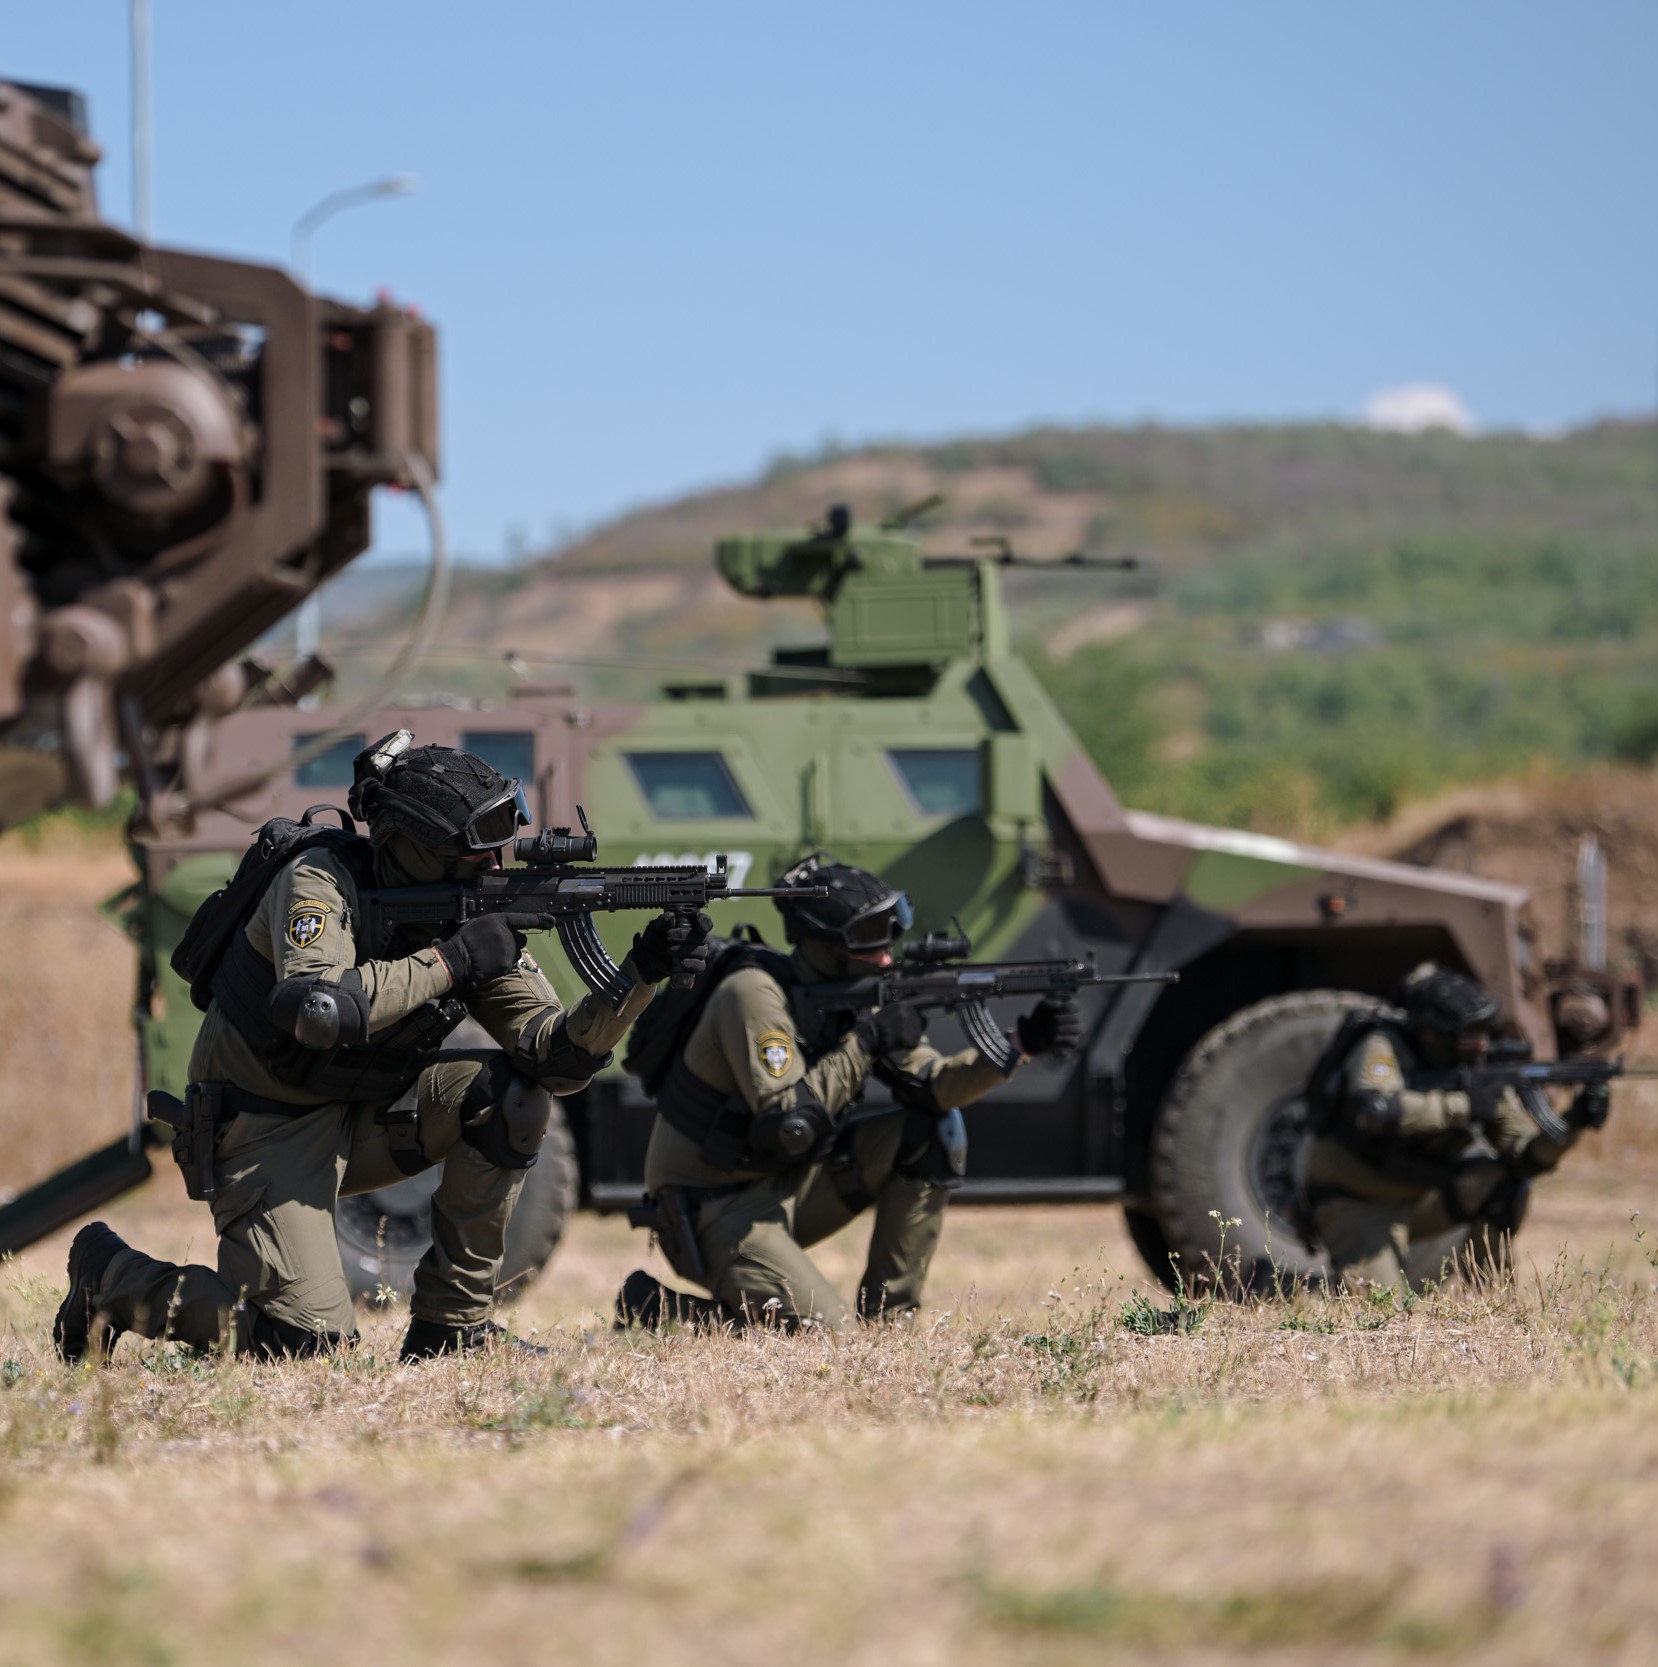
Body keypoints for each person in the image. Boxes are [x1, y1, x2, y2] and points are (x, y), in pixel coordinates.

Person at [54, 734, 710, 1363]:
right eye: (471, 851)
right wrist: (453, 960)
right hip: (265, 1125)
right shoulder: (317, 879)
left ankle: (452, 1326)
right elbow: (316, 1010)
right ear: (407, 845)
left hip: (366, 1114)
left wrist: (642, 973)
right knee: (300, 1347)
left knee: (512, 1098)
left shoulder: (463, 906)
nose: (492, 865)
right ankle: (110, 1277)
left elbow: (556, 1059)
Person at [614, 855, 1079, 1330]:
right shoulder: (752, 993)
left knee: (933, 1132)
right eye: (869, 937)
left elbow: (934, 1087)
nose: (886, 956)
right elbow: (790, 1124)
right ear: (825, 946)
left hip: (787, 1185)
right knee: (827, 1337)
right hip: (709, 1209)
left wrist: (1020, 1044)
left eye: (889, 934)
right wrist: (866, 1042)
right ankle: (658, 1311)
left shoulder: (856, 992)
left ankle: (891, 1322)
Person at [1304, 963, 1608, 1288]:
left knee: (1503, 1182)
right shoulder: (1383, 1045)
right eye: (1469, 1035)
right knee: (1381, 1308)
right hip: (1356, 1202)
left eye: (1483, 1032)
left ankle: (1492, 1296)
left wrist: (1573, 1123)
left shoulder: (1476, 1073)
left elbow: (1525, 1156)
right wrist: (1461, 1107)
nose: (1482, 1045)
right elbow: (1375, 1110)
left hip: (1420, 1202)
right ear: (1430, 1034)